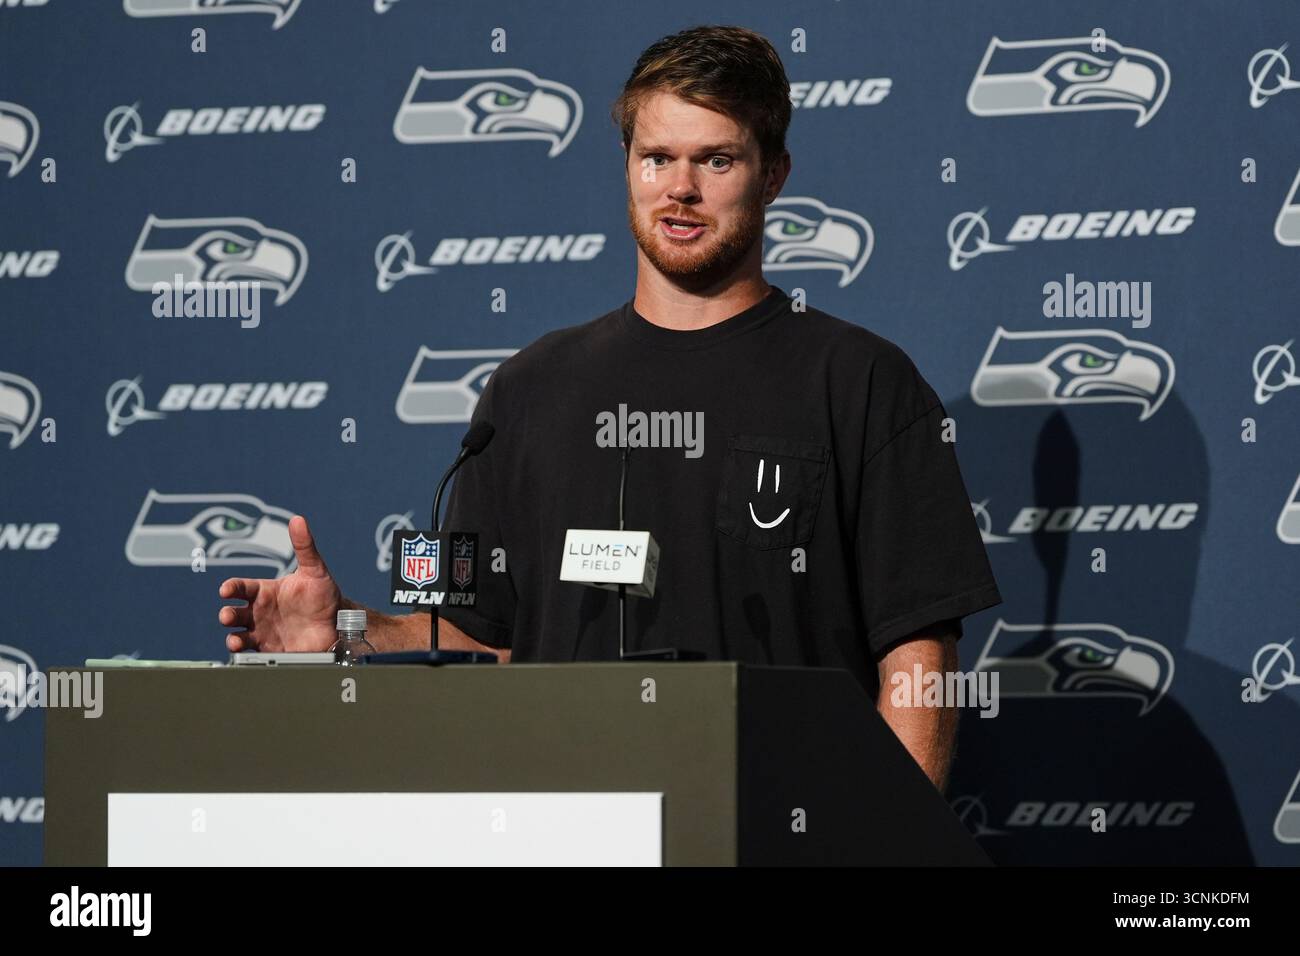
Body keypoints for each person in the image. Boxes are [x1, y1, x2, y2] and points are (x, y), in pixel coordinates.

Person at [220, 25, 1002, 792]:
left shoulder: (861, 379)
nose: (681, 189)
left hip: (781, 826)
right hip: (570, 823)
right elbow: (480, 642)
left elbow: (917, 656)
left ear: (773, 177)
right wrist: (350, 635)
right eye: (657, 157)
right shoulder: (527, 390)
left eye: (716, 160)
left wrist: (894, 840)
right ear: (627, 166)